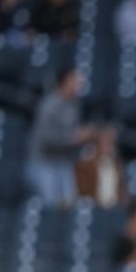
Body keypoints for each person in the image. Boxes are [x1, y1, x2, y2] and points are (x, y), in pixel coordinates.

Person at [26, 67, 91, 208]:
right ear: (65, 81)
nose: (79, 84)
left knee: (69, 204)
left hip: (63, 162)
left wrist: (81, 136)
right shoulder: (49, 104)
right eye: (75, 80)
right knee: (50, 206)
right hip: (44, 162)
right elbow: (45, 137)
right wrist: (73, 138)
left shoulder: (75, 104)